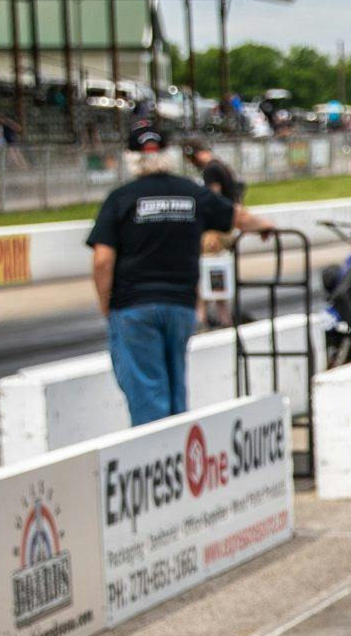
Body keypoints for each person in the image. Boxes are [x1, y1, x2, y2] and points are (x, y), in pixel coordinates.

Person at [87, 125, 271, 426]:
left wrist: (105, 302)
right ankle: (177, 461)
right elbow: (237, 215)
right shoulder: (190, 192)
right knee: (175, 392)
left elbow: (102, 260)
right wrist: (265, 225)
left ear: (132, 158)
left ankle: (153, 463)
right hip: (181, 305)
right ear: (168, 156)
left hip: (134, 305)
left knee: (148, 396)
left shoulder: (121, 198)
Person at [187, 140, 247, 326]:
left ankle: (202, 317)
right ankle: (223, 317)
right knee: (215, 272)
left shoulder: (210, 170)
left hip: (216, 231)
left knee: (206, 272)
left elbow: (213, 200)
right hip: (229, 227)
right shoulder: (221, 166)